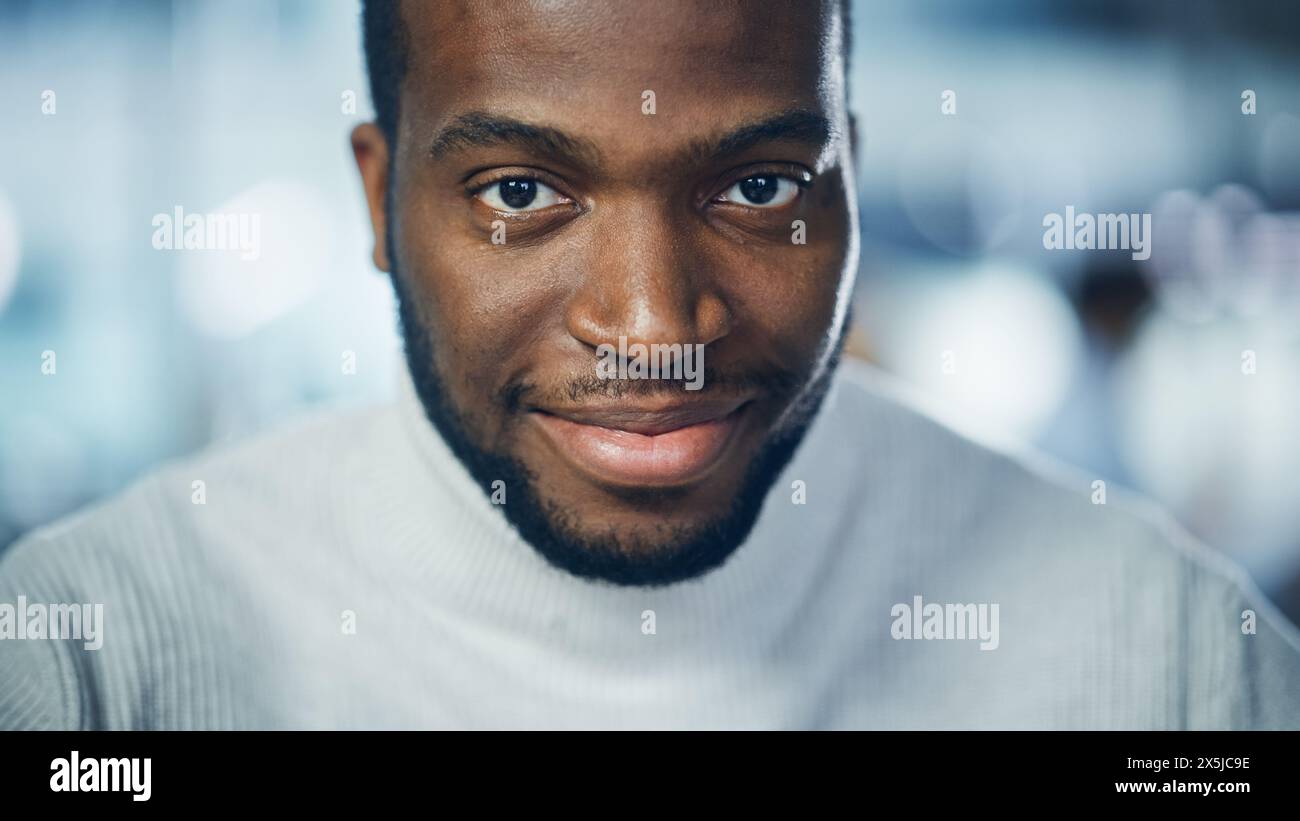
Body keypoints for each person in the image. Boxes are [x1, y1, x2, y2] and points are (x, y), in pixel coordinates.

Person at [1, 0, 1296, 729]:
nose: (652, 322)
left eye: (758, 184)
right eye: (521, 191)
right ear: (381, 200)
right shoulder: (97, 661)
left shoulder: (1169, 658)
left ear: (851, 176)